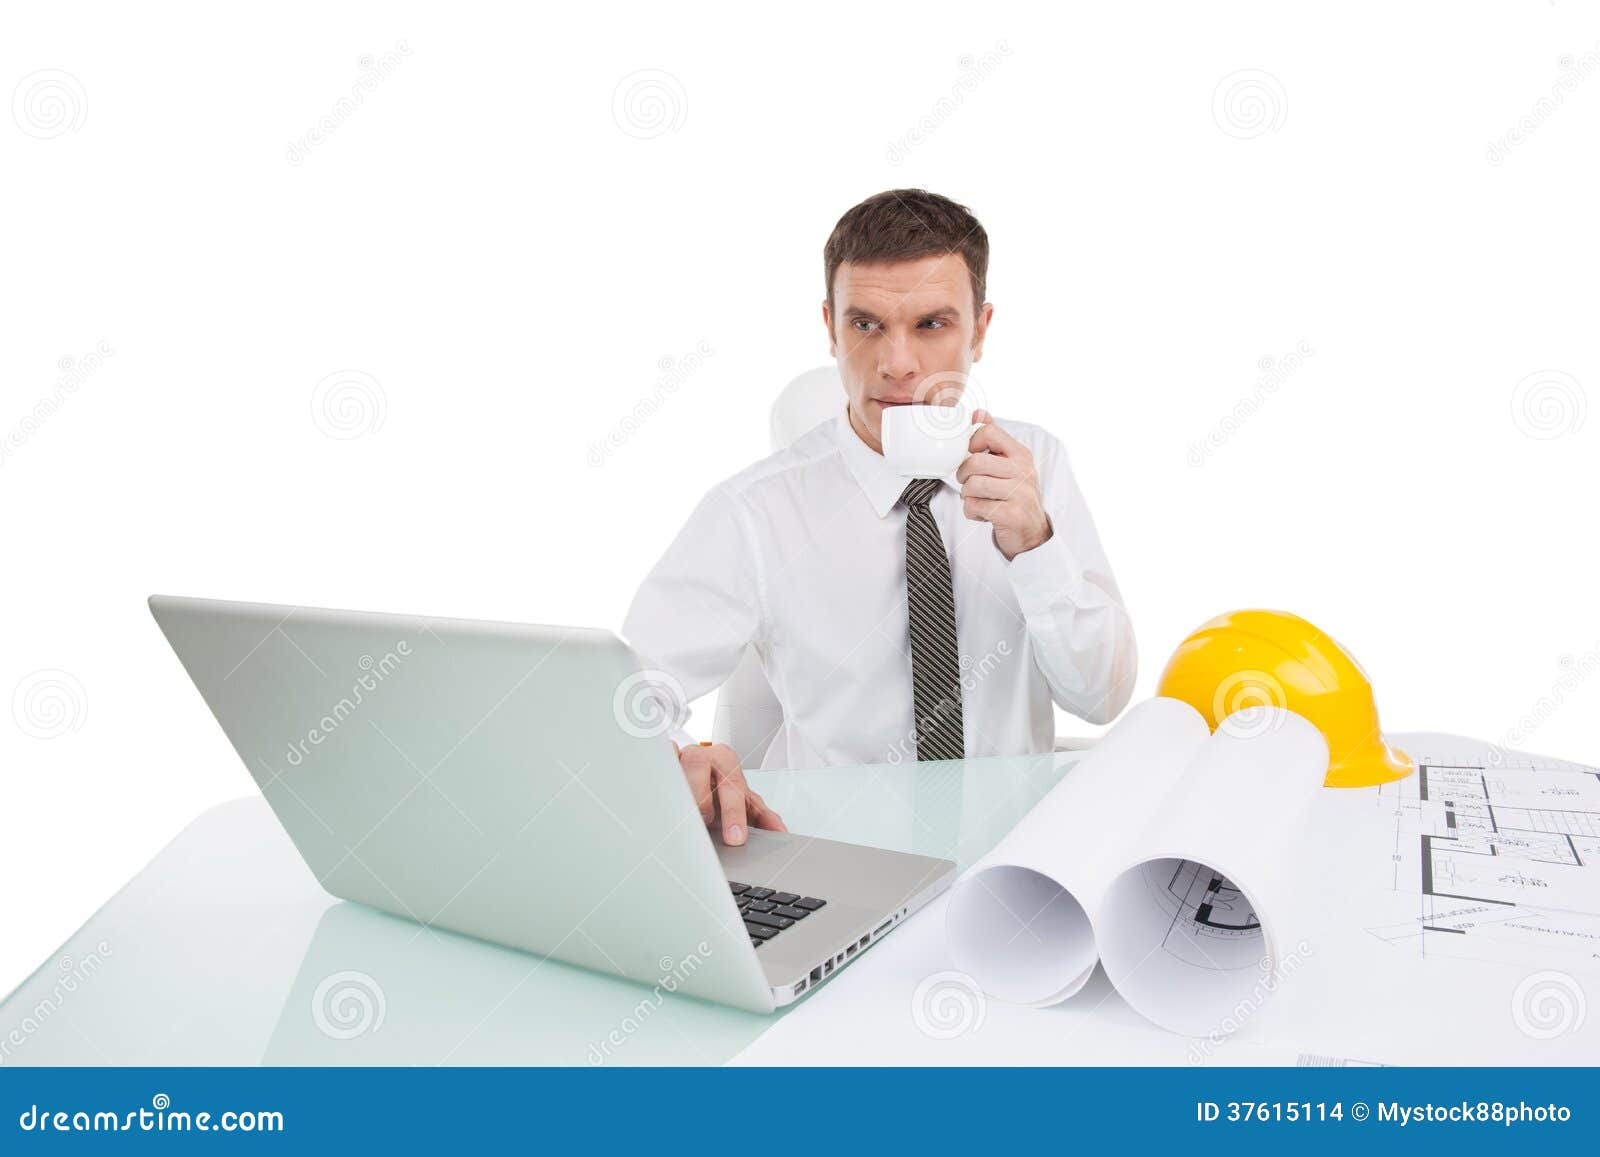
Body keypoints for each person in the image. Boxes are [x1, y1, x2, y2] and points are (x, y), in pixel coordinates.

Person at [622, 189, 1137, 846]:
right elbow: (627, 696)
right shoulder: (753, 511)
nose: (897, 364)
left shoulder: (1037, 465)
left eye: (931, 325)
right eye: (866, 325)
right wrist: (679, 758)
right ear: (829, 325)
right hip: (831, 867)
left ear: (979, 330)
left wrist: (1036, 547)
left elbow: (1103, 696)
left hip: (1013, 866)